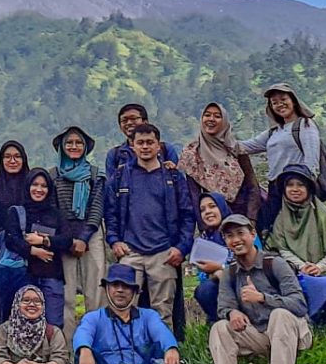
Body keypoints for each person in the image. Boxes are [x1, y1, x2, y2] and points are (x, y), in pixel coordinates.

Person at [209, 214, 312, 364]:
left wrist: (263, 298)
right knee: (219, 328)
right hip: (259, 335)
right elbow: (224, 305)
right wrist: (232, 312)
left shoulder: (275, 264)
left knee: (280, 315)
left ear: (252, 234)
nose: (236, 240)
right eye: (230, 236)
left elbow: (299, 304)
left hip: (293, 332)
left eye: (241, 233)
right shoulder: (229, 273)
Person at [104, 123, 195, 332]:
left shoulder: (172, 176)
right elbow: (111, 213)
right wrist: (114, 240)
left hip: (164, 253)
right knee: (123, 309)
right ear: (132, 146)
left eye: (150, 142)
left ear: (158, 146)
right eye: (140, 143)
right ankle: (127, 359)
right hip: (130, 252)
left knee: (162, 313)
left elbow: (187, 215)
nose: (145, 147)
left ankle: (166, 360)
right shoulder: (120, 177)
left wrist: (182, 248)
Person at [72, 264, 187, 364]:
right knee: (83, 354)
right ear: (107, 288)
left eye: (126, 286)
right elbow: (82, 333)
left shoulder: (148, 315)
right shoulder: (94, 317)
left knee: (160, 349)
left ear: (134, 291)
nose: (120, 290)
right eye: (115, 285)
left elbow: (161, 331)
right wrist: (84, 349)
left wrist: (171, 348)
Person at [267, 165, 326, 326]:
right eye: (290, 185)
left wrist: (320, 267)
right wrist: (302, 267)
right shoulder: (280, 221)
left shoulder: (323, 214)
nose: (295, 189)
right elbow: (281, 249)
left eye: (300, 184)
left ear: (309, 188)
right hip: (295, 272)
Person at [236, 84, 321, 235]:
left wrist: (306, 190)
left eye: (283, 99)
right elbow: (246, 146)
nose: (280, 104)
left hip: (295, 186)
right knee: (273, 229)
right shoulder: (274, 132)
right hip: (275, 188)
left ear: (293, 101)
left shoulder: (304, 125)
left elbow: (312, 161)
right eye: (274, 102)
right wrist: (216, 140)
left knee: (296, 229)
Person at [48, 126, 107, 343]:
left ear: (86, 147)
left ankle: (97, 344)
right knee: (66, 296)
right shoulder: (53, 176)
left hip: (92, 234)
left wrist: (83, 237)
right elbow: (53, 209)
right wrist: (68, 238)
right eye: (69, 143)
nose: (74, 146)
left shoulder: (95, 175)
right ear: (62, 147)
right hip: (63, 237)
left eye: (78, 143)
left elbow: (97, 206)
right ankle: (66, 350)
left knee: (97, 290)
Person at [4, 169, 71, 329]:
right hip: (24, 276)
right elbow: (11, 239)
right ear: (27, 186)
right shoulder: (17, 212)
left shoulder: (56, 214)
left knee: (54, 325)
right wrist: (33, 251)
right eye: (35, 184)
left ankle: (54, 354)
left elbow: (67, 239)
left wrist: (44, 240)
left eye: (44, 186)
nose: (39, 189)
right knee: (23, 324)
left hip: (52, 276)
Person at [177, 102, 261, 220]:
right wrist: (205, 226)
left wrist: (251, 219)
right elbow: (194, 196)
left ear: (224, 121)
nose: (211, 119)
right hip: (214, 220)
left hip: (243, 218)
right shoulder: (192, 153)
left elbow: (252, 186)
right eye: (207, 115)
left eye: (217, 116)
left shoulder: (235, 149)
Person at [0, 141, 32, 326]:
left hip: (28, 257)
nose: (12, 161)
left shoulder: (33, 186)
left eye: (17, 156)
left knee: (26, 307)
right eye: (7, 157)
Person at [191, 192, 263, 324]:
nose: (207, 212)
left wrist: (222, 269)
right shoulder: (204, 239)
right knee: (205, 290)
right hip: (221, 287)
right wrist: (214, 274)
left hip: (250, 281)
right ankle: (222, 324)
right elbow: (201, 275)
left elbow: (257, 260)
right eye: (203, 209)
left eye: (212, 206)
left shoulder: (242, 229)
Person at [104, 104, 179, 180]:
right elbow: (111, 187)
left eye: (133, 119)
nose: (129, 123)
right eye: (124, 120)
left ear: (145, 121)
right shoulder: (115, 154)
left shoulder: (165, 150)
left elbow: (177, 181)